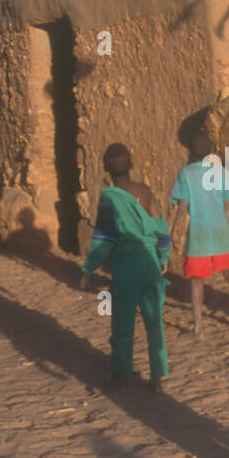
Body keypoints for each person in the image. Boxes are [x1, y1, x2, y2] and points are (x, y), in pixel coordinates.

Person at [80, 143, 171, 394]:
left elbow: (104, 237)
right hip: (150, 263)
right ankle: (158, 377)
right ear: (131, 165)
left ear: (105, 169)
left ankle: (122, 376)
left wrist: (88, 270)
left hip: (125, 267)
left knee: (122, 323)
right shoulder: (145, 191)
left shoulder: (109, 197)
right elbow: (160, 228)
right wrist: (163, 257)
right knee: (155, 322)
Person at [169, 129, 229, 335]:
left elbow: (183, 203)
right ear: (210, 151)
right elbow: (228, 201)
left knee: (197, 282)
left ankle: (198, 327)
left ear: (191, 151)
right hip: (221, 231)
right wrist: (224, 218)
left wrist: (175, 226)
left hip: (198, 234)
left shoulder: (185, 174)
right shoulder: (219, 171)